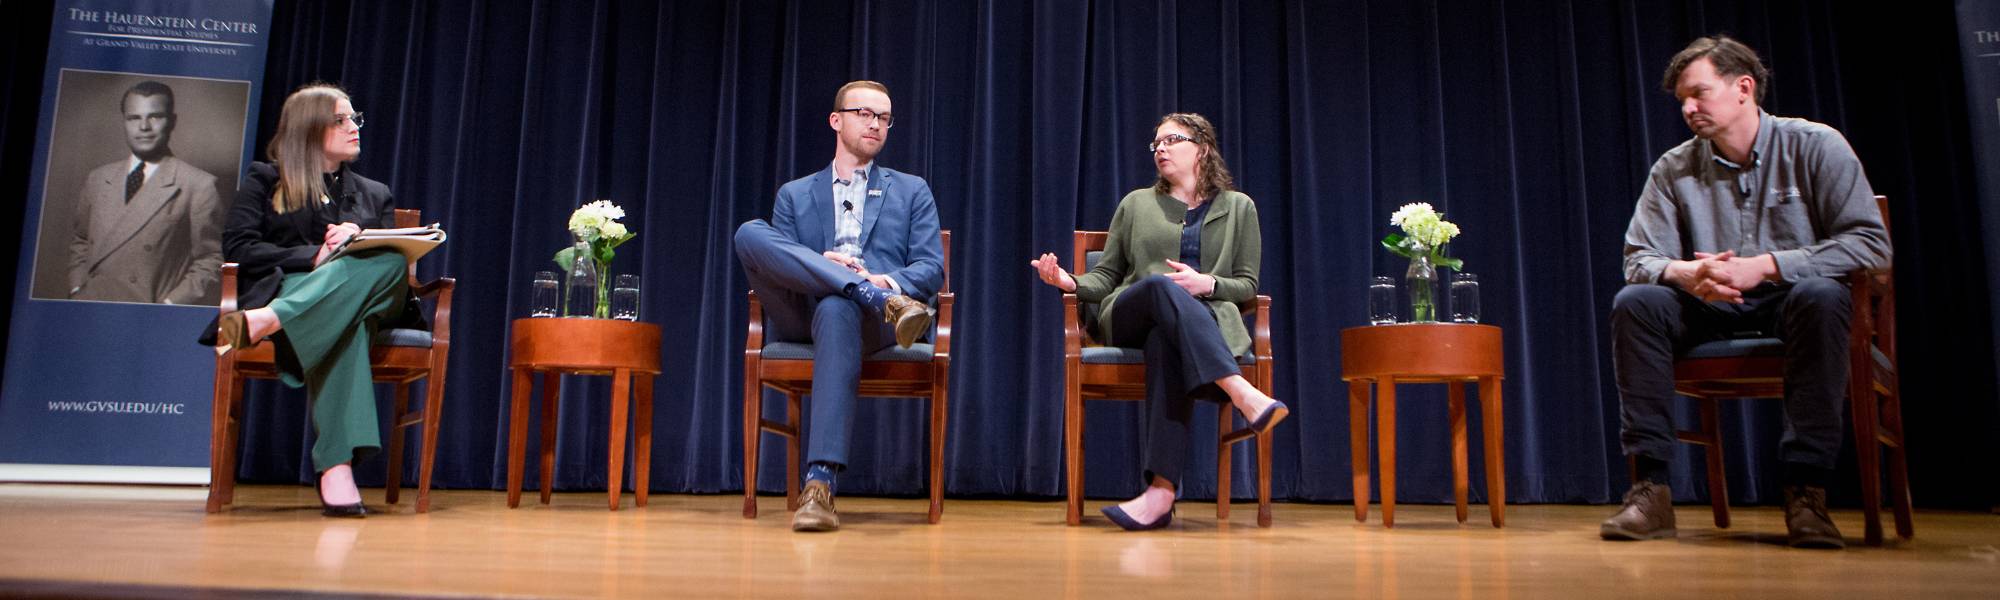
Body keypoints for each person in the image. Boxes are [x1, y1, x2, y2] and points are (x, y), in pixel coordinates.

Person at [1601, 36, 1891, 549]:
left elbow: (1870, 245)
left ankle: (1806, 490)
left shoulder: (1814, 144)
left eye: (1699, 93)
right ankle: (1651, 489)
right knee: (1637, 303)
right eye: (1682, 100)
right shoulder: (1673, 168)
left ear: (1743, 88)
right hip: (1711, 307)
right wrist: (1685, 274)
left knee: (1823, 297)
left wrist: (1771, 265)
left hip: (1793, 302)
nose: (1689, 108)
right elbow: (1638, 259)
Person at [1029, 113, 1287, 531]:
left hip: (1195, 325)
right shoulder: (1135, 203)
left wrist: (1207, 283)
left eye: (1172, 140)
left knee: (1165, 342)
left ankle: (1160, 495)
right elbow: (1107, 276)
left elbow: (1247, 285)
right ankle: (1239, 390)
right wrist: (1067, 280)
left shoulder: (1240, 208)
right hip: (1130, 312)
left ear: (1202, 147)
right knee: (1163, 286)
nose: (1160, 149)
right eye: (1156, 144)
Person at [202, 84, 423, 518]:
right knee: (348, 326)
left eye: (354, 117)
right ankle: (337, 468)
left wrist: (359, 239)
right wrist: (313, 255)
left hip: (373, 295)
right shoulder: (266, 179)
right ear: (307, 128)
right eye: (340, 119)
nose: (353, 127)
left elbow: (390, 263)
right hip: (306, 293)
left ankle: (268, 320)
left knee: (390, 264)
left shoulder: (375, 192)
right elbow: (239, 248)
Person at [733, 80, 943, 532]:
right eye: (864, 113)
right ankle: (858, 290)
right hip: (802, 312)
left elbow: (931, 269)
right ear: (837, 120)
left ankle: (820, 484)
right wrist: (829, 268)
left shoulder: (911, 191)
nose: (875, 124)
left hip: (876, 322)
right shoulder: (795, 194)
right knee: (750, 232)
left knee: (837, 307)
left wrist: (881, 279)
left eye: (883, 118)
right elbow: (779, 263)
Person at [68, 80, 224, 304]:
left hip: (146, 316)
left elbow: (211, 259)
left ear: (172, 122)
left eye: (155, 116)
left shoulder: (199, 185)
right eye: (134, 118)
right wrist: (76, 287)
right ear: (124, 122)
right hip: (89, 307)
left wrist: (169, 304)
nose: (144, 127)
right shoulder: (98, 178)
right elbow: (81, 240)